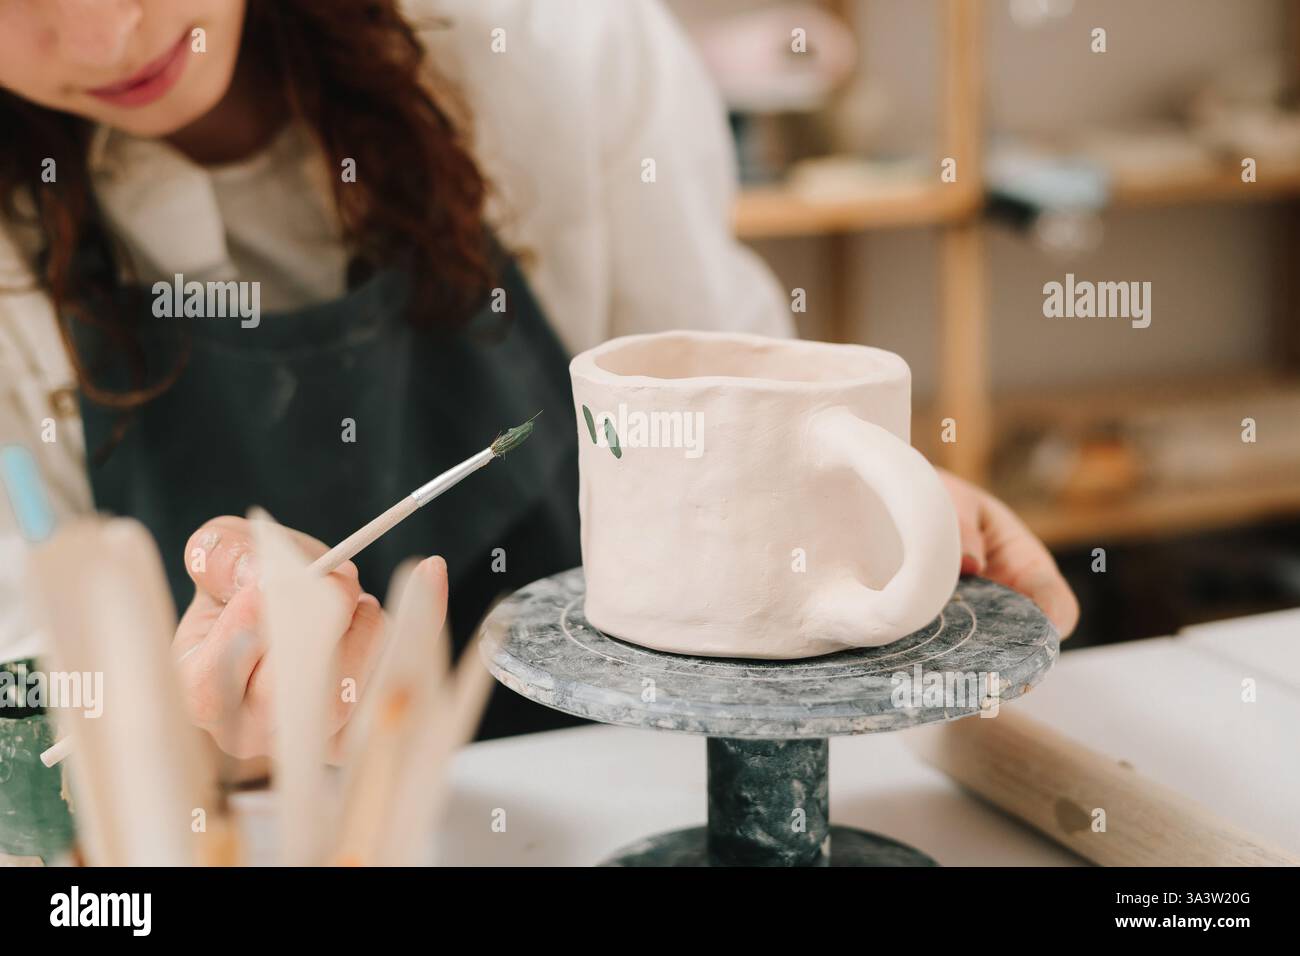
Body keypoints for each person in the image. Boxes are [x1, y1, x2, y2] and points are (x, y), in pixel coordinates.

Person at [0, 0, 1078, 753]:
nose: (102, 32)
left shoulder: (550, 40)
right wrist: (199, 733)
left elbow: (726, 392)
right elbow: (35, 728)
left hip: (637, 765)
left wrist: (868, 525)